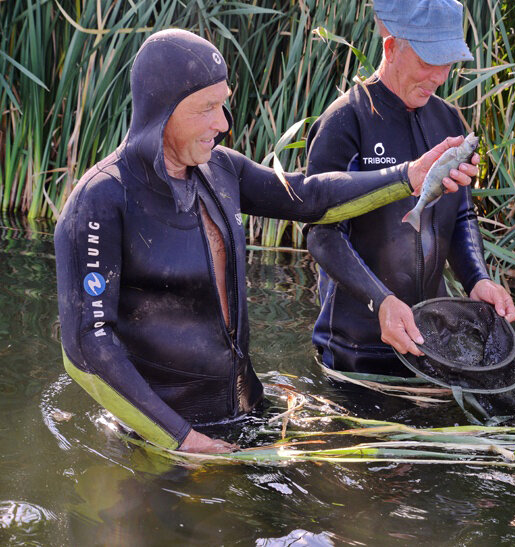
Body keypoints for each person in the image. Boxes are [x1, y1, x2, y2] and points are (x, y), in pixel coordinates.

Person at [54, 29, 478, 454]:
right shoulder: (101, 200)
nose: (221, 124)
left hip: (246, 415)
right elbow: (88, 346)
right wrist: (182, 440)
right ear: (160, 111)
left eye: (222, 105)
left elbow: (310, 198)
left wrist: (408, 176)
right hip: (162, 440)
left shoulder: (221, 170)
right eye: (206, 109)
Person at [305, 0, 515, 376]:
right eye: (427, 61)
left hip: (429, 344)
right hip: (356, 351)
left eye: (448, 62)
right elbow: (322, 234)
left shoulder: (449, 121)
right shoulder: (345, 121)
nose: (439, 76)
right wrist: (380, 301)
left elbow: (462, 215)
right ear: (390, 49)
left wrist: (477, 279)